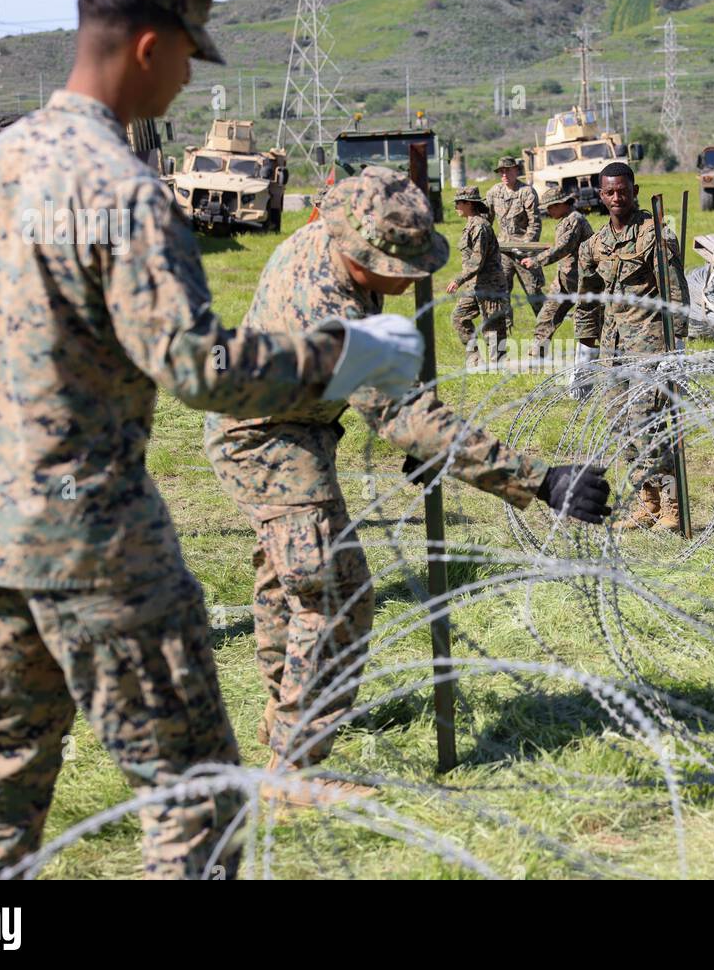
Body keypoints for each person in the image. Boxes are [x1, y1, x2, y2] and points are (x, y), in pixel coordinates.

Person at [0, 0, 424, 880]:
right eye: (192, 56)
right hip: (96, 544)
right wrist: (350, 354)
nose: (193, 77)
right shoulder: (124, 187)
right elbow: (197, 366)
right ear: (150, 46)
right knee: (196, 799)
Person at [203, 164, 611, 807]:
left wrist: (425, 440)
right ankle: (295, 768)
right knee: (335, 593)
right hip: (267, 441)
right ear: (361, 251)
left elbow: (399, 403)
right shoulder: (328, 305)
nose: (411, 278)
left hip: (287, 426)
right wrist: (540, 479)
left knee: (287, 581)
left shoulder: (323, 240)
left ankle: (284, 719)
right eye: (400, 264)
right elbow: (400, 413)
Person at [575, 162, 690, 533]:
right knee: (620, 429)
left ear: (634, 190)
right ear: (600, 195)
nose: (616, 198)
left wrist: (679, 343)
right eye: (609, 192)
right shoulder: (593, 245)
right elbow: (587, 298)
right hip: (613, 348)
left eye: (622, 190)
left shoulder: (654, 235)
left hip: (651, 345)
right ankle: (647, 502)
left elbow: (673, 291)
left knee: (647, 427)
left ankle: (672, 506)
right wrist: (585, 347)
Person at [521, 182, 595, 359]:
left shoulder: (574, 219)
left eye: (550, 208)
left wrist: (536, 260)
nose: (548, 212)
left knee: (588, 323)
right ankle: (536, 356)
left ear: (561, 204)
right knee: (546, 317)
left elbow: (563, 248)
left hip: (583, 281)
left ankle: (598, 357)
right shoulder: (566, 220)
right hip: (565, 279)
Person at [446, 186, 508, 368]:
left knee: (492, 328)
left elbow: (477, 260)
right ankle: (475, 360)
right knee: (459, 317)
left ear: (469, 204)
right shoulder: (471, 225)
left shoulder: (480, 226)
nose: (456, 206)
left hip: (490, 285)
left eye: (459, 202)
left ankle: (499, 365)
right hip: (475, 285)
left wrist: (458, 280)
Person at [485, 155, 543, 326]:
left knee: (533, 291)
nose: (504, 174)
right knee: (501, 291)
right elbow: (486, 220)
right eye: (501, 171)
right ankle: (504, 328)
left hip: (523, 251)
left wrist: (525, 244)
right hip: (503, 251)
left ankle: (546, 325)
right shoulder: (494, 192)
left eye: (507, 170)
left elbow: (535, 223)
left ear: (516, 171)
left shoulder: (526, 192)